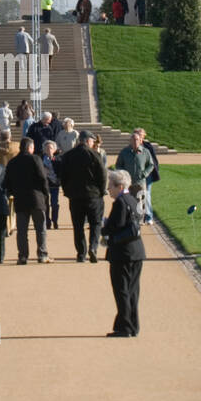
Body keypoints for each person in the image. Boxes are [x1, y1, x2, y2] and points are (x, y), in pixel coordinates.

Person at [101, 169, 145, 337]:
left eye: (110, 186)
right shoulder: (132, 200)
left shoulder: (120, 202)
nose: (108, 189)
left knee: (122, 290)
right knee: (132, 290)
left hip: (123, 253)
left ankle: (125, 327)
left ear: (119, 186)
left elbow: (115, 226)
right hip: (136, 252)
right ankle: (132, 325)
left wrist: (104, 226)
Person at [60, 130, 107, 263]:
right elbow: (102, 175)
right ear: (87, 141)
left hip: (75, 196)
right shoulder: (95, 154)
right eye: (92, 141)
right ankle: (93, 247)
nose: (93, 143)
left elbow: (63, 176)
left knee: (78, 225)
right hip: (93, 195)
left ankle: (81, 253)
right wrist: (102, 191)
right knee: (95, 223)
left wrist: (67, 191)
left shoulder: (68, 155)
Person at [4, 137, 51, 264]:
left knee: (22, 231)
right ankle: (42, 254)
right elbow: (42, 178)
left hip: (20, 199)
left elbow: (7, 182)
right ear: (30, 147)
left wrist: (12, 193)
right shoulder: (35, 159)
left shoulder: (12, 162)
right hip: (37, 198)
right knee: (40, 228)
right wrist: (46, 194)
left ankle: (23, 256)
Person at [115, 130, 156, 223]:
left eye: (137, 140)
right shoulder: (124, 152)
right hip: (127, 183)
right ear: (130, 141)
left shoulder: (145, 152)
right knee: (127, 201)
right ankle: (128, 219)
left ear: (140, 141)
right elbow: (118, 165)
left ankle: (140, 220)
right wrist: (123, 175)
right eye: (133, 140)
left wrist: (145, 173)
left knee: (140, 202)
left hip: (140, 182)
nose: (135, 141)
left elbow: (151, 165)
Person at [0, 130, 20, 237]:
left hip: (1, 178)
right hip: (14, 178)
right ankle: (12, 224)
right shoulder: (17, 146)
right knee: (13, 204)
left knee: (4, 203)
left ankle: (6, 225)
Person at [136, 127, 159, 224]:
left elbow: (153, 162)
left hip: (147, 175)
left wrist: (148, 172)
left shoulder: (148, 147)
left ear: (144, 136)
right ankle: (138, 217)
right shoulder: (131, 147)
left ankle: (149, 216)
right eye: (137, 134)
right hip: (135, 175)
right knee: (136, 196)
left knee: (146, 195)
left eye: (140, 135)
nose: (139, 137)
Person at [42, 139, 63, 229]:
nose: (49, 150)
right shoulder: (41, 159)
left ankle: (55, 221)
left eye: (50, 148)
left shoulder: (58, 159)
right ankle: (47, 221)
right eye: (47, 148)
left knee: (54, 204)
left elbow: (61, 172)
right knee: (45, 204)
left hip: (54, 185)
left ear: (54, 149)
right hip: (45, 185)